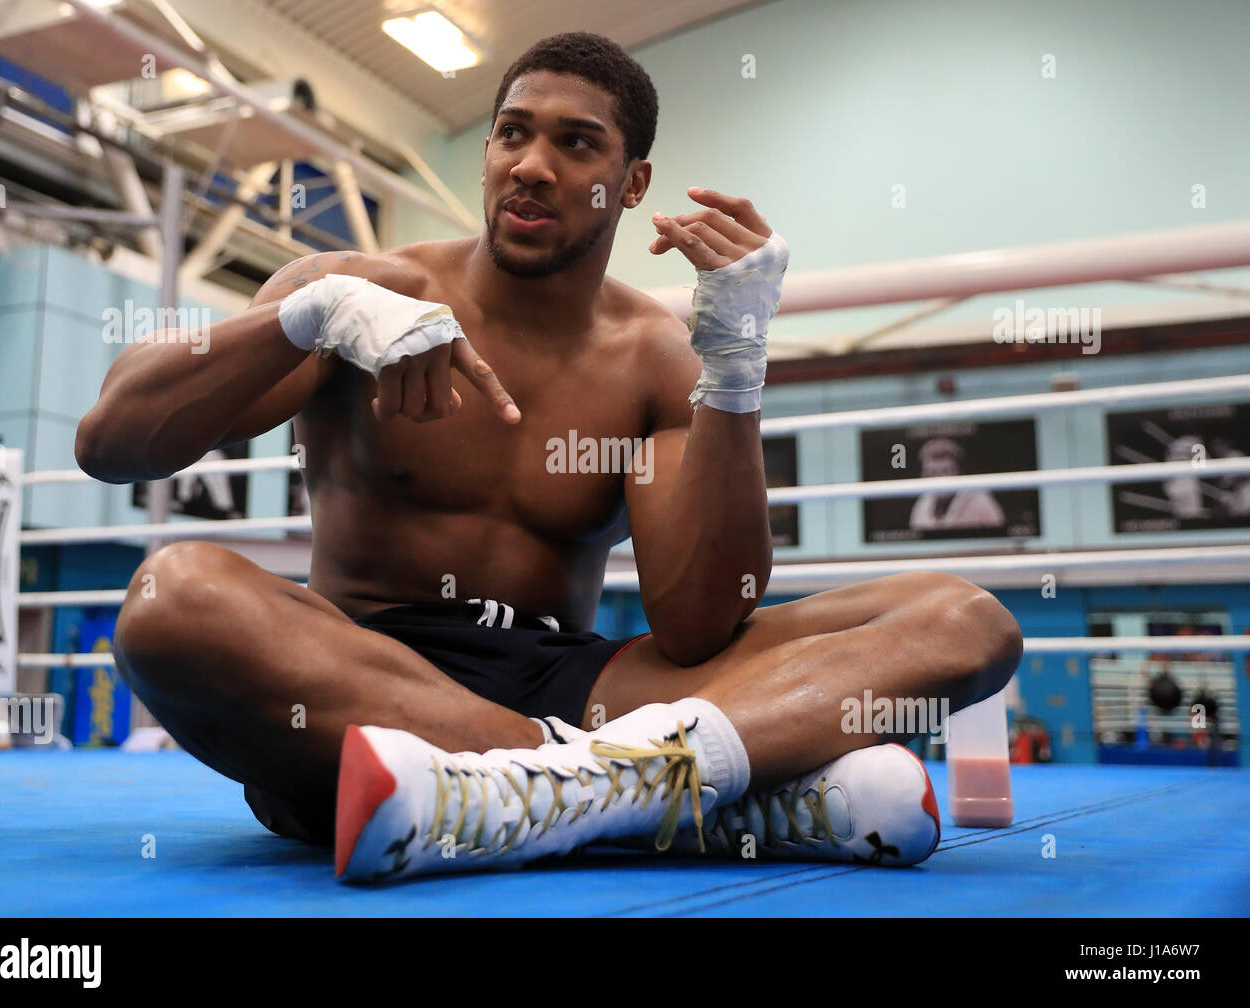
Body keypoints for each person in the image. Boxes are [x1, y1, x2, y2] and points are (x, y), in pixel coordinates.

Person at [76, 32, 1022, 881]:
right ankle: (664, 800)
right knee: (176, 599)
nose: (532, 166)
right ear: (486, 149)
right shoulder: (355, 293)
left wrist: (733, 368)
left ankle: (550, 794)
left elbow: (697, 622)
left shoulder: (656, 357)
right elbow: (112, 443)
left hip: (574, 681)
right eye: (511, 134)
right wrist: (305, 318)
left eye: (576, 144)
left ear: (633, 181)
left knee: (961, 621)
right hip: (356, 669)